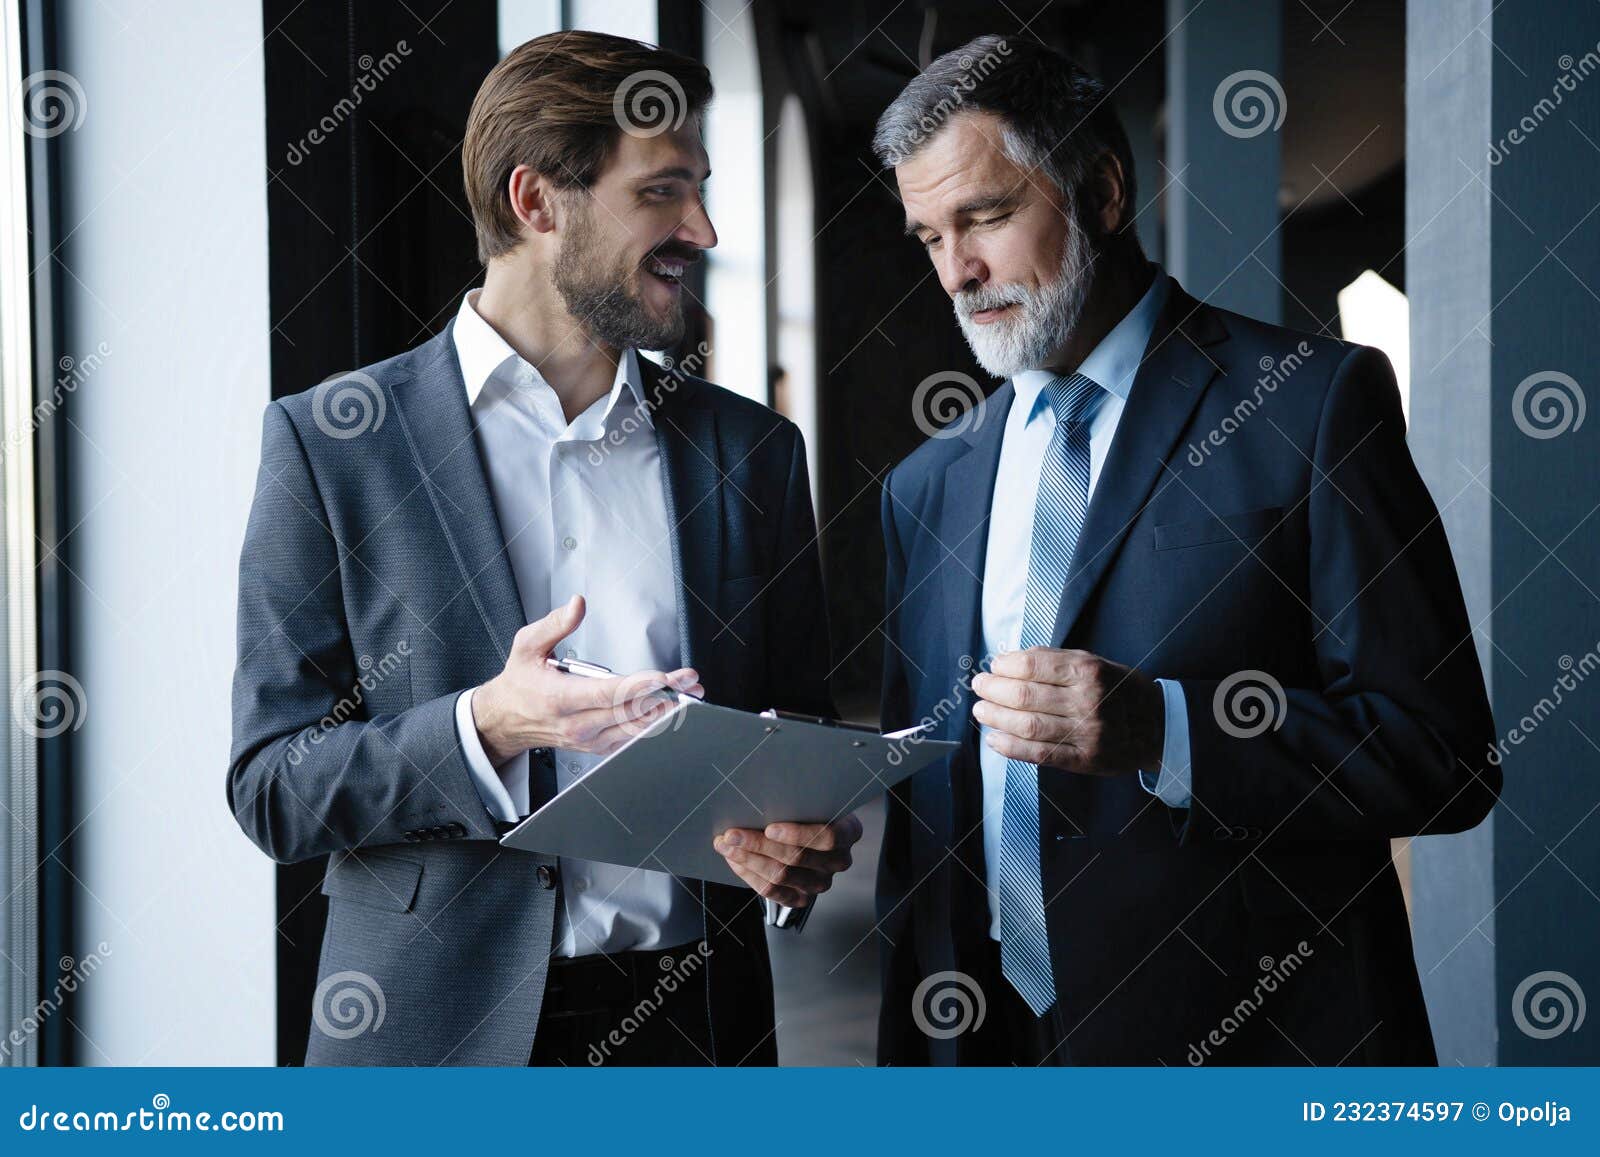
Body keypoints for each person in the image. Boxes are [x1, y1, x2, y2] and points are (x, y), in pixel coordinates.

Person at [229, 30, 859, 1067]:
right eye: (661, 192)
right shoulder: (331, 442)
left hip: (697, 1030)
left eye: (700, 189)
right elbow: (272, 785)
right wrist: (486, 725)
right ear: (536, 202)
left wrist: (796, 834)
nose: (700, 227)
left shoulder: (753, 452)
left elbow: (800, 723)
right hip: (430, 1030)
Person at [872, 35, 1498, 1066]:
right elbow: (925, 808)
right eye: (927, 236)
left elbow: (1441, 756)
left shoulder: (1310, 405)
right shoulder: (926, 484)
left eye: (985, 217)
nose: (957, 271)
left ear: (1104, 191)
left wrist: (1166, 727)